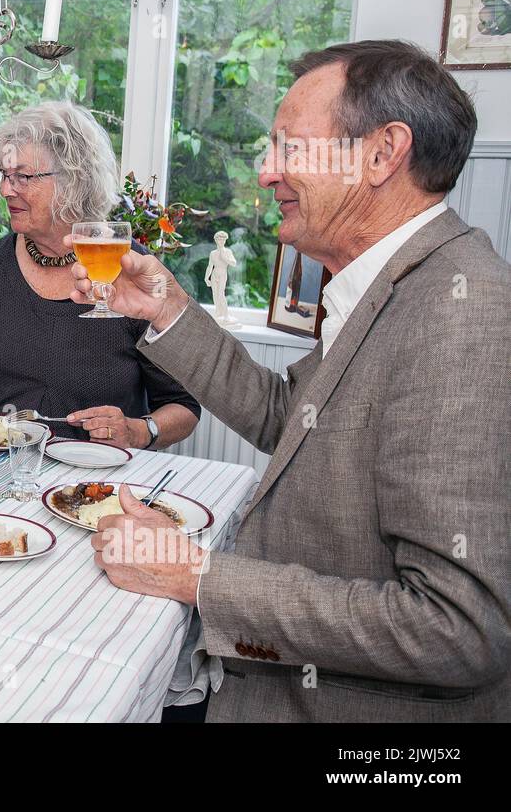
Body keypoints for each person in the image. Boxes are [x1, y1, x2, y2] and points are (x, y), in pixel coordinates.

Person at [70, 40, 510, 721]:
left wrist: (196, 576)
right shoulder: (387, 286)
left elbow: (457, 629)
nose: (266, 173)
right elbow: (292, 419)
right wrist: (167, 307)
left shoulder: (462, 313)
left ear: (381, 153)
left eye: (288, 147)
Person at [0, 101, 199, 448]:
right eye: (4, 174)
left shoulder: (133, 272)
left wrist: (139, 430)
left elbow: (184, 405)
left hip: (86, 476)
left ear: (73, 181)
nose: (5, 190)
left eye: (22, 177)